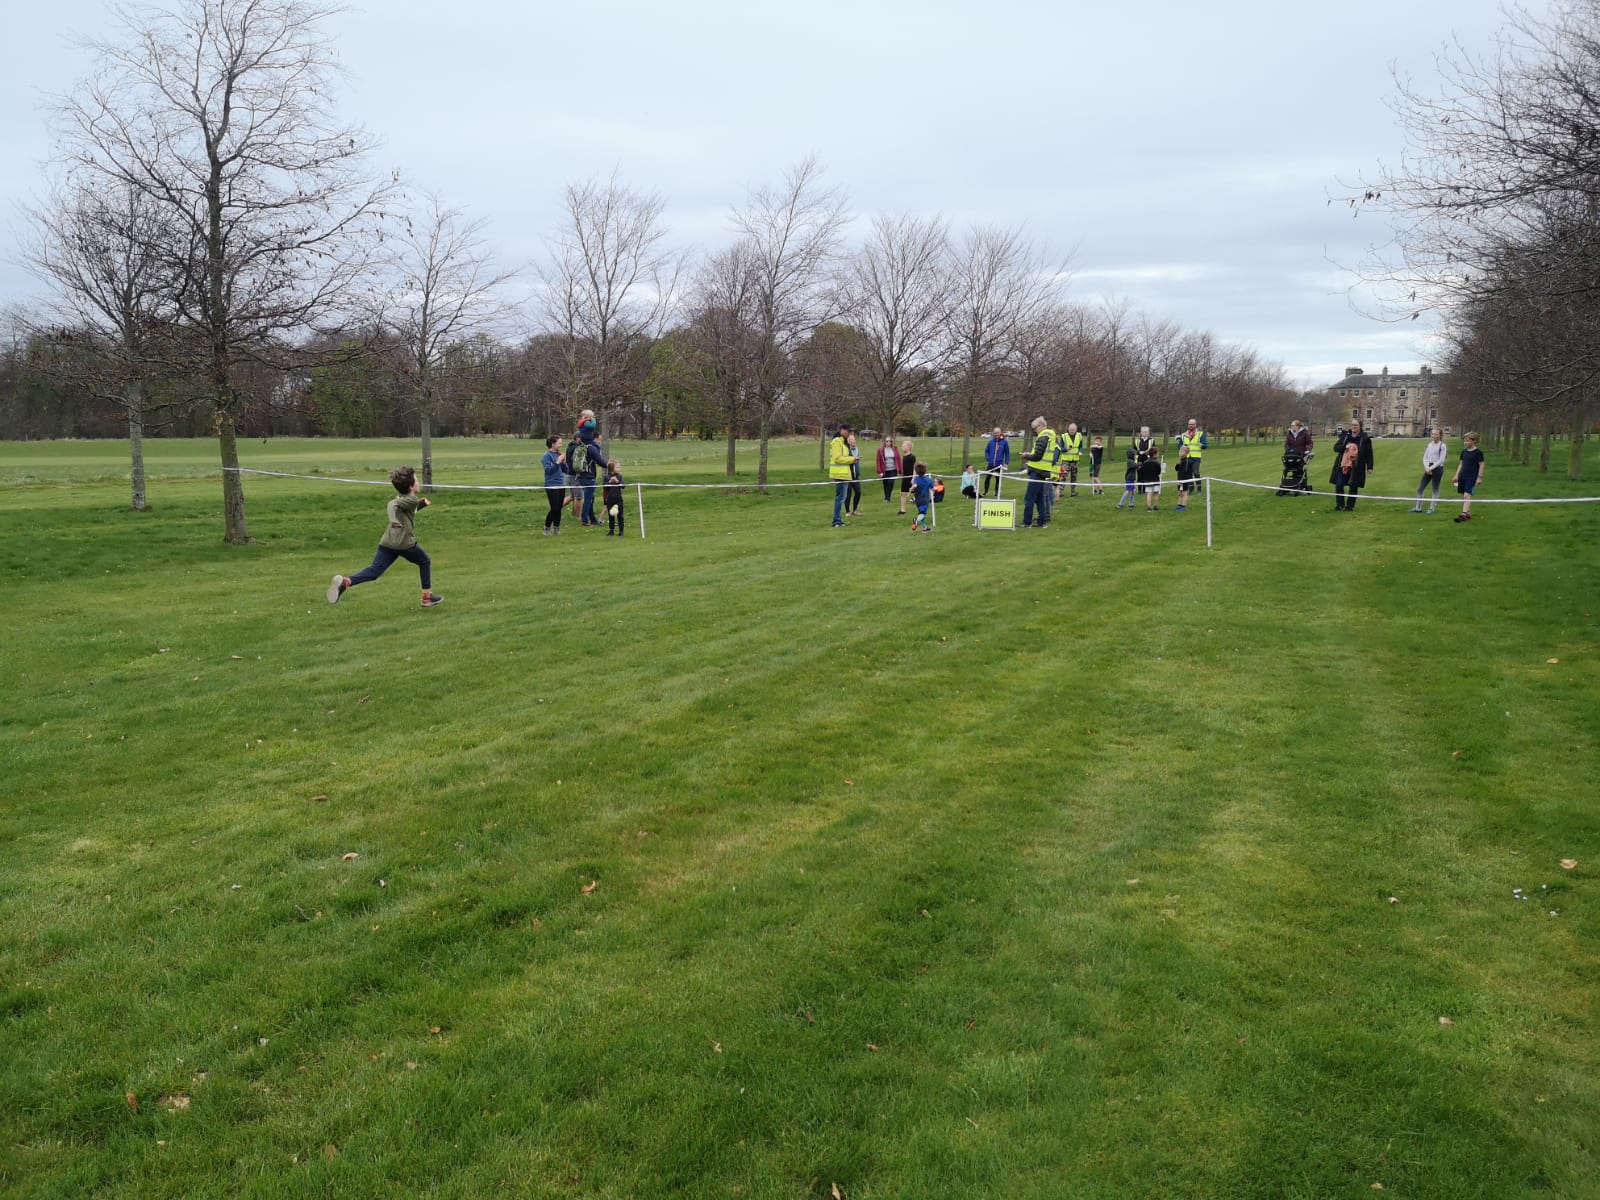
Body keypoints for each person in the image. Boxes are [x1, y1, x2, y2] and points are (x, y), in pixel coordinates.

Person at [327, 466, 442, 608]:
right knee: (424, 561)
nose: (419, 483)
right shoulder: (410, 500)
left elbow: (407, 511)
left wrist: (421, 505)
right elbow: (392, 505)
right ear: (411, 487)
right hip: (404, 544)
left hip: (387, 543)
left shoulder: (404, 499)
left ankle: (346, 582)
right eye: (417, 481)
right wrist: (394, 521)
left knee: (374, 572)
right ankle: (427, 597)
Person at [1020, 416, 1057, 528]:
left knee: (1029, 498)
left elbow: (1037, 456)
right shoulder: (1050, 436)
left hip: (1038, 471)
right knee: (1040, 498)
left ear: (1041, 425)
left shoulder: (1043, 437)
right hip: (1044, 470)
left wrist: (1026, 456)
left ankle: (1027, 522)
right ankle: (1042, 521)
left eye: (1035, 428)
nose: (1035, 431)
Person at [1331, 418, 1375, 511]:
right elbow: (1336, 448)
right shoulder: (1345, 437)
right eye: (1352, 425)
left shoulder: (1365, 439)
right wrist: (1344, 447)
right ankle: (1340, 504)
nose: (1353, 427)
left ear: (1360, 427)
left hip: (1357, 466)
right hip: (1343, 465)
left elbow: (1369, 454)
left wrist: (1370, 467)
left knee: (1353, 486)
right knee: (1339, 484)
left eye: (1355, 425)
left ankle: (1350, 506)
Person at [1412, 428, 1448, 514]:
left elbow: (1441, 460)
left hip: (1437, 469)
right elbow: (1425, 457)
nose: (1434, 436)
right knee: (1420, 488)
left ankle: (1431, 509)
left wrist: (1431, 468)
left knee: (1435, 489)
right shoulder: (1429, 445)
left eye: (1436, 434)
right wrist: (1426, 467)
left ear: (1440, 435)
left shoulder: (1442, 446)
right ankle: (1418, 507)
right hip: (1428, 468)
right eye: (1432, 434)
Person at [1452, 431, 1485, 522]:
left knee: (1467, 495)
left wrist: (1479, 477)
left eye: (1467, 441)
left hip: (1471, 477)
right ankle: (1468, 513)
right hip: (1462, 476)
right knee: (1463, 495)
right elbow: (1461, 464)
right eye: (1464, 441)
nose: (1465, 443)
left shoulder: (1478, 452)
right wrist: (1456, 475)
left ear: (1474, 441)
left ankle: (1463, 515)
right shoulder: (1464, 452)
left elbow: (1481, 464)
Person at [829, 422, 855, 527]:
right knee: (840, 498)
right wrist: (852, 459)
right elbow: (837, 458)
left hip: (844, 474)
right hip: (839, 474)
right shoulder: (837, 442)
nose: (849, 433)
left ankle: (838, 519)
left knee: (841, 498)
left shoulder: (843, 442)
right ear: (842, 430)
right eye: (848, 431)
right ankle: (836, 520)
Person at [540, 434, 566, 536]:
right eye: (559, 443)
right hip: (551, 485)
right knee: (554, 508)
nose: (561, 445)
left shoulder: (559, 454)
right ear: (553, 444)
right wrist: (558, 462)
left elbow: (565, 470)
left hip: (561, 484)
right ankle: (547, 528)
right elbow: (548, 470)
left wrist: (564, 462)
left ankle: (556, 528)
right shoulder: (547, 456)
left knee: (559, 508)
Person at [1058, 422, 1086, 497]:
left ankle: (1073, 492)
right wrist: (1066, 449)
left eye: (1073, 429)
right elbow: (1060, 448)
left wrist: (1080, 451)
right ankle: (1061, 492)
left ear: (1076, 429)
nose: (1072, 431)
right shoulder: (1064, 436)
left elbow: (1081, 446)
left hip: (1075, 460)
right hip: (1066, 460)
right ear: (1068, 429)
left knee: (1074, 477)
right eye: (1070, 429)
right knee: (1063, 476)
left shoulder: (1079, 436)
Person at [982, 427, 1009, 496]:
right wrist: (988, 458)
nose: (996, 434)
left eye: (998, 433)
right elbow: (986, 451)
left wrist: (1006, 462)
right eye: (995, 433)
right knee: (987, 478)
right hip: (990, 464)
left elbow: (1007, 453)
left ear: (1000, 433)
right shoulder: (991, 442)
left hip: (999, 464)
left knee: (998, 479)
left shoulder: (1004, 442)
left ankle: (997, 492)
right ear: (993, 433)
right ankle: (985, 491)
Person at [909, 462, 935, 531]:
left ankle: (925, 527)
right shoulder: (928, 480)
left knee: (920, 512)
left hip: (917, 500)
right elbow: (933, 488)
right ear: (925, 471)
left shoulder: (916, 479)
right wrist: (939, 488)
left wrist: (911, 490)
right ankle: (916, 520)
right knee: (923, 513)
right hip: (924, 500)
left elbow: (914, 486)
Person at [603, 460, 626, 536]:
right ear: (612, 468)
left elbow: (623, 486)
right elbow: (604, 487)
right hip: (610, 499)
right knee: (611, 515)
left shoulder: (620, 476)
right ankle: (611, 530)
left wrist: (618, 482)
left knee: (620, 516)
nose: (619, 468)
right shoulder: (606, 477)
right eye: (617, 467)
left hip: (618, 499)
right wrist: (609, 482)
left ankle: (621, 531)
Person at [1138, 443, 1163, 511]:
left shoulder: (1145, 462)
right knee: (1156, 493)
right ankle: (1155, 506)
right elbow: (1159, 472)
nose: (1158, 455)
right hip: (1155, 480)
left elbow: (1142, 471)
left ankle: (1148, 507)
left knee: (1149, 494)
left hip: (1147, 480)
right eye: (1158, 453)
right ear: (1154, 454)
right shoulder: (1157, 463)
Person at [897, 439, 918, 515]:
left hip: (911, 478)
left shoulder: (912, 457)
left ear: (908, 447)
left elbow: (915, 468)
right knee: (903, 493)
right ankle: (903, 510)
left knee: (915, 493)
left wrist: (913, 478)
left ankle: (921, 506)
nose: (902, 447)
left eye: (903, 446)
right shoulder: (904, 457)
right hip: (905, 478)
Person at [876, 436, 899, 502]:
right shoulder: (880, 450)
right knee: (885, 484)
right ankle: (887, 498)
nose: (888, 442)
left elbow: (898, 459)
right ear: (884, 442)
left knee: (891, 482)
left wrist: (899, 469)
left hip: (893, 469)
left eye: (890, 441)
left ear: (892, 442)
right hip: (884, 470)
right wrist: (880, 471)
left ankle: (887, 497)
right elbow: (878, 461)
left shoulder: (894, 449)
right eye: (887, 441)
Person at [846, 431, 862, 517]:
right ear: (848, 441)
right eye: (851, 440)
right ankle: (847, 511)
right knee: (848, 493)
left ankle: (855, 510)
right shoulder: (846, 449)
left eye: (853, 439)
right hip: (848, 475)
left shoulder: (856, 448)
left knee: (858, 492)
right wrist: (853, 459)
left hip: (856, 475)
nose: (852, 441)